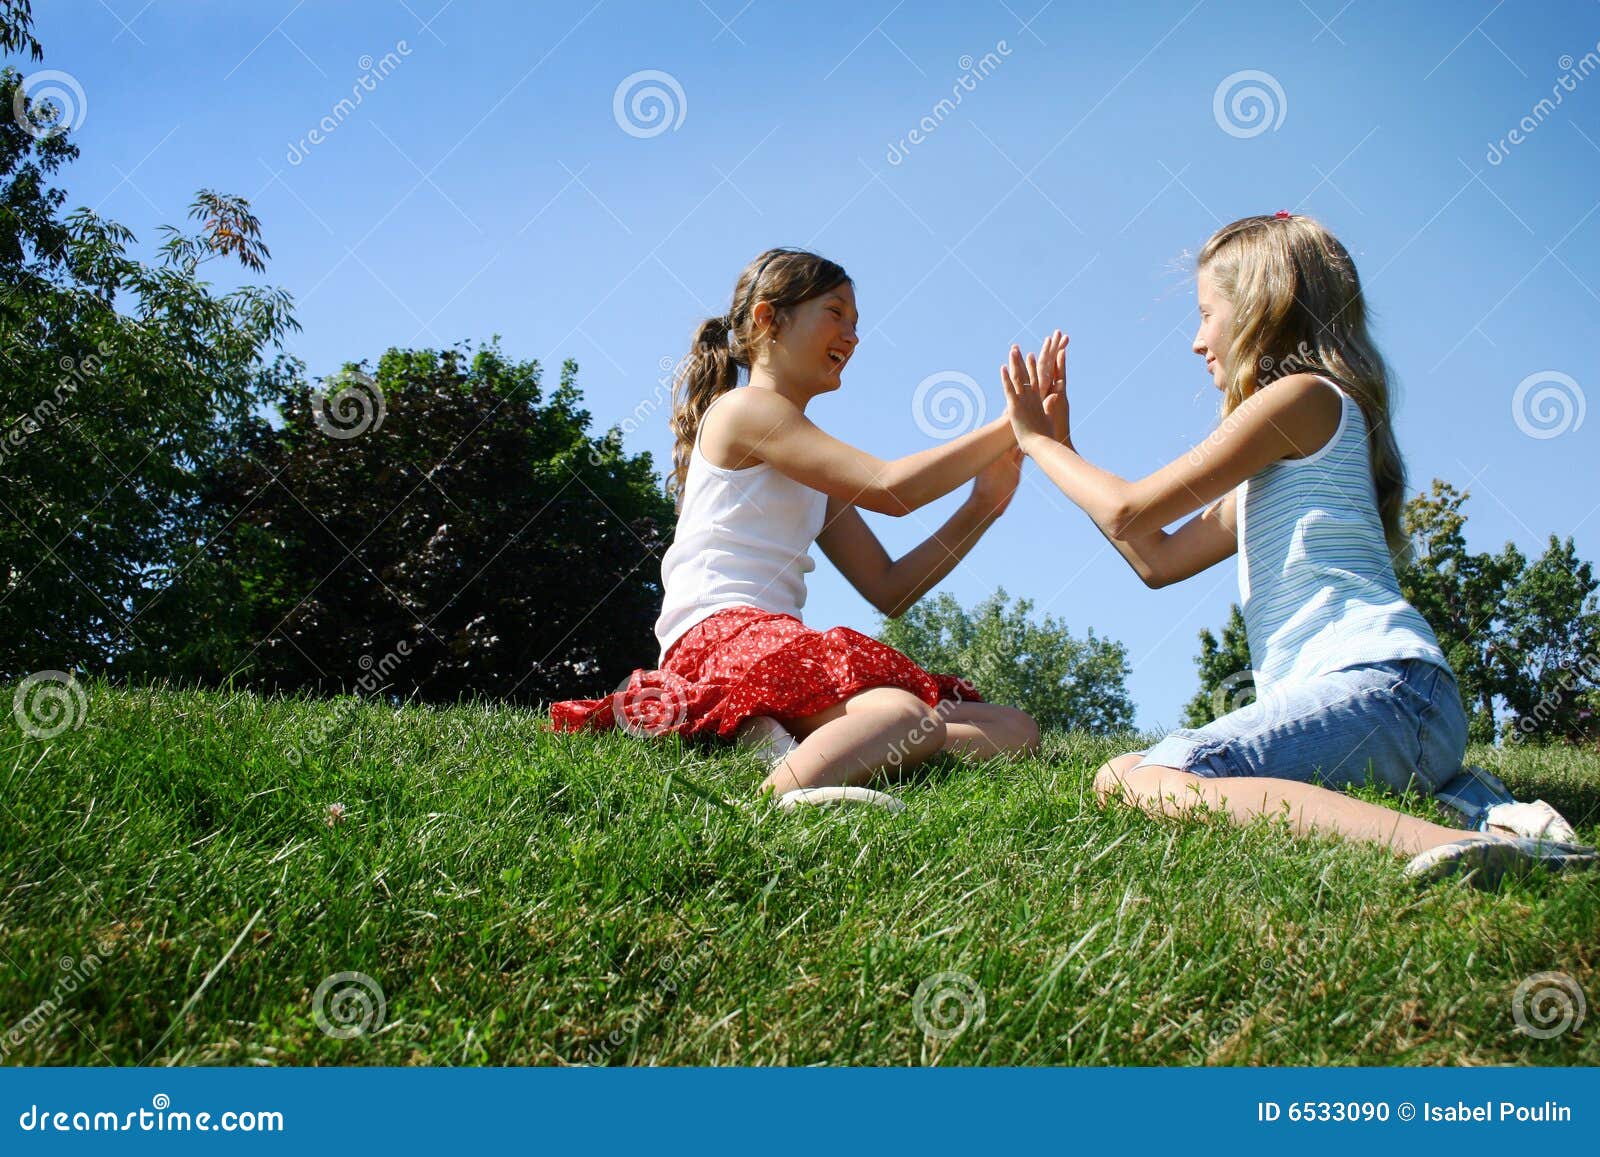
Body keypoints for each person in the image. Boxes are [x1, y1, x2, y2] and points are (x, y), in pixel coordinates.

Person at [1000, 212, 1595, 887]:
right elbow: (1155, 559)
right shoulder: (1279, 452)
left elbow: (1129, 508)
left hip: (1384, 685)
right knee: (1122, 773)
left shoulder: (1303, 398)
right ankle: (1485, 810)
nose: (1197, 341)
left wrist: (1038, 443)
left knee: (1151, 777)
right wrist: (1066, 449)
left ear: (1263, 307)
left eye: (1206, 314)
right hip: (1391, 709)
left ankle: (1464, 844)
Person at [553, 247, 1039, 806]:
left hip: (771, 645)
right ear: (768, 318)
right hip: (717, 638)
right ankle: (773, 802)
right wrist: (1013, 426)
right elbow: (891, 490)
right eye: (835, 313)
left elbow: (889, 587)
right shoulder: (745, 410)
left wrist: (984, 504)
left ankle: (793, 739)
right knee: (905, 715)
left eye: (856, 323)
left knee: (1013, 729)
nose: (852, 336)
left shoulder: (804, 457)